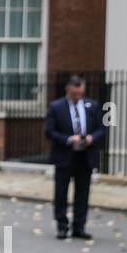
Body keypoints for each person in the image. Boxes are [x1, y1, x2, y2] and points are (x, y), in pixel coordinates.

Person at [44, 75, 107, 240]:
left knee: (83, 193)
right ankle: (62, 226)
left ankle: (79, 227)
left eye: (80, 93)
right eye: (74, 94)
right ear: (68, 90)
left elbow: (102, 128)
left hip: (86, 156)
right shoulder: (56, 107)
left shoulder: (93, 105)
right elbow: (49, 131)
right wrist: (68, 139)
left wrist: (92, 137)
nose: (77, 97)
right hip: (64, 155)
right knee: (61, 193)